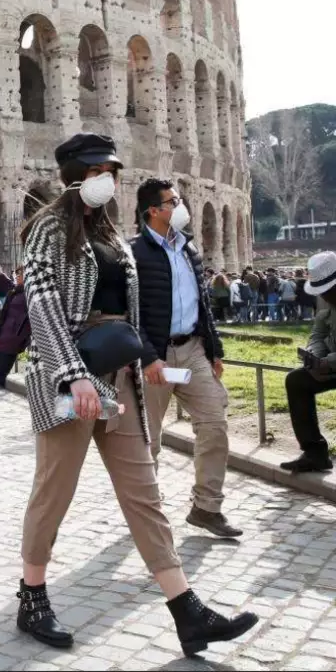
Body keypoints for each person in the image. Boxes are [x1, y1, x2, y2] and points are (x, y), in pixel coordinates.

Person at [15, 134, 257, 655]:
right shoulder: (47, 228)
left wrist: (145, 358)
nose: (110, 177)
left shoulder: (109, 232)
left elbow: (132, 309)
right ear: (75, 172)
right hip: (69, 376)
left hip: (119, 376)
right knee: (54, 492)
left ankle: (185, 608)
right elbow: (42, 302)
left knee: (143, 492)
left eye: (113, 169)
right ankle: (32, 594)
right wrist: (73, 374)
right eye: (100, 168)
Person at [131, 179, 240, 538]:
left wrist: (215, 351)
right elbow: (130, 314)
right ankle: (147, 511)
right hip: (156, 356)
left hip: (193, 349)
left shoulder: (189, 250)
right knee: (149, 439)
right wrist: (147, 358)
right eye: (173, 201)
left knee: (214, 423)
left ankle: (207, 507)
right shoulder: (134, 253)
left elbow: (203, 306)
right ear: (154, 210)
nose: (180, 206)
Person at [280, 251, 336, 473]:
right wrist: (315, 356)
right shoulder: (325, 298)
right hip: (330, 362)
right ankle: (314, 453)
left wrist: (327, 362)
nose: (325, 296)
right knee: (296, 381)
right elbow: (318, 332)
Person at [0, 265, 29, 390]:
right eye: (17, 275)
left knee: (8, 348)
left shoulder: (30, 291)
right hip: (6, 324)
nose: (17, 277)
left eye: (20, 275)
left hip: (19, 328)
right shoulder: (16, 291)